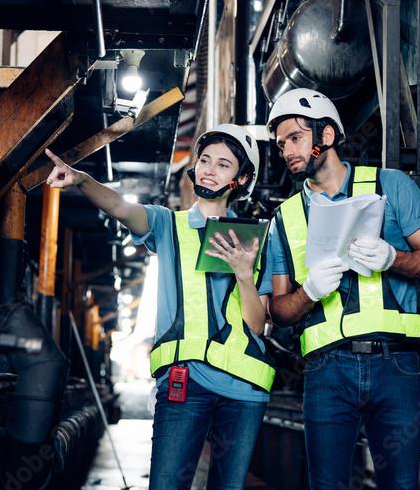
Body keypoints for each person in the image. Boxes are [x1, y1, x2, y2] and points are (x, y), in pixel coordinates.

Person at [44, 123, 275, 490]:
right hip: (185, 380)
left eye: (223, 165)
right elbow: (120, 207)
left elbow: (257, 324)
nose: (209, 170)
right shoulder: (168, 225)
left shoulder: (256, 241)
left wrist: (244, 274)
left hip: (244, 388)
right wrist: (81, 180)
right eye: (205, 160)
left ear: (242, 178)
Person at [264, 88, 420, 490]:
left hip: (395, 365)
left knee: (400, 486)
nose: (287, 151)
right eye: (281, 144)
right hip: (325, 372)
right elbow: (277, 312)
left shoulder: (391, 185)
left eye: (296, 138)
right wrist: (309, 292)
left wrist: (392, 258)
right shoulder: (284, 219)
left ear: (326, 135)